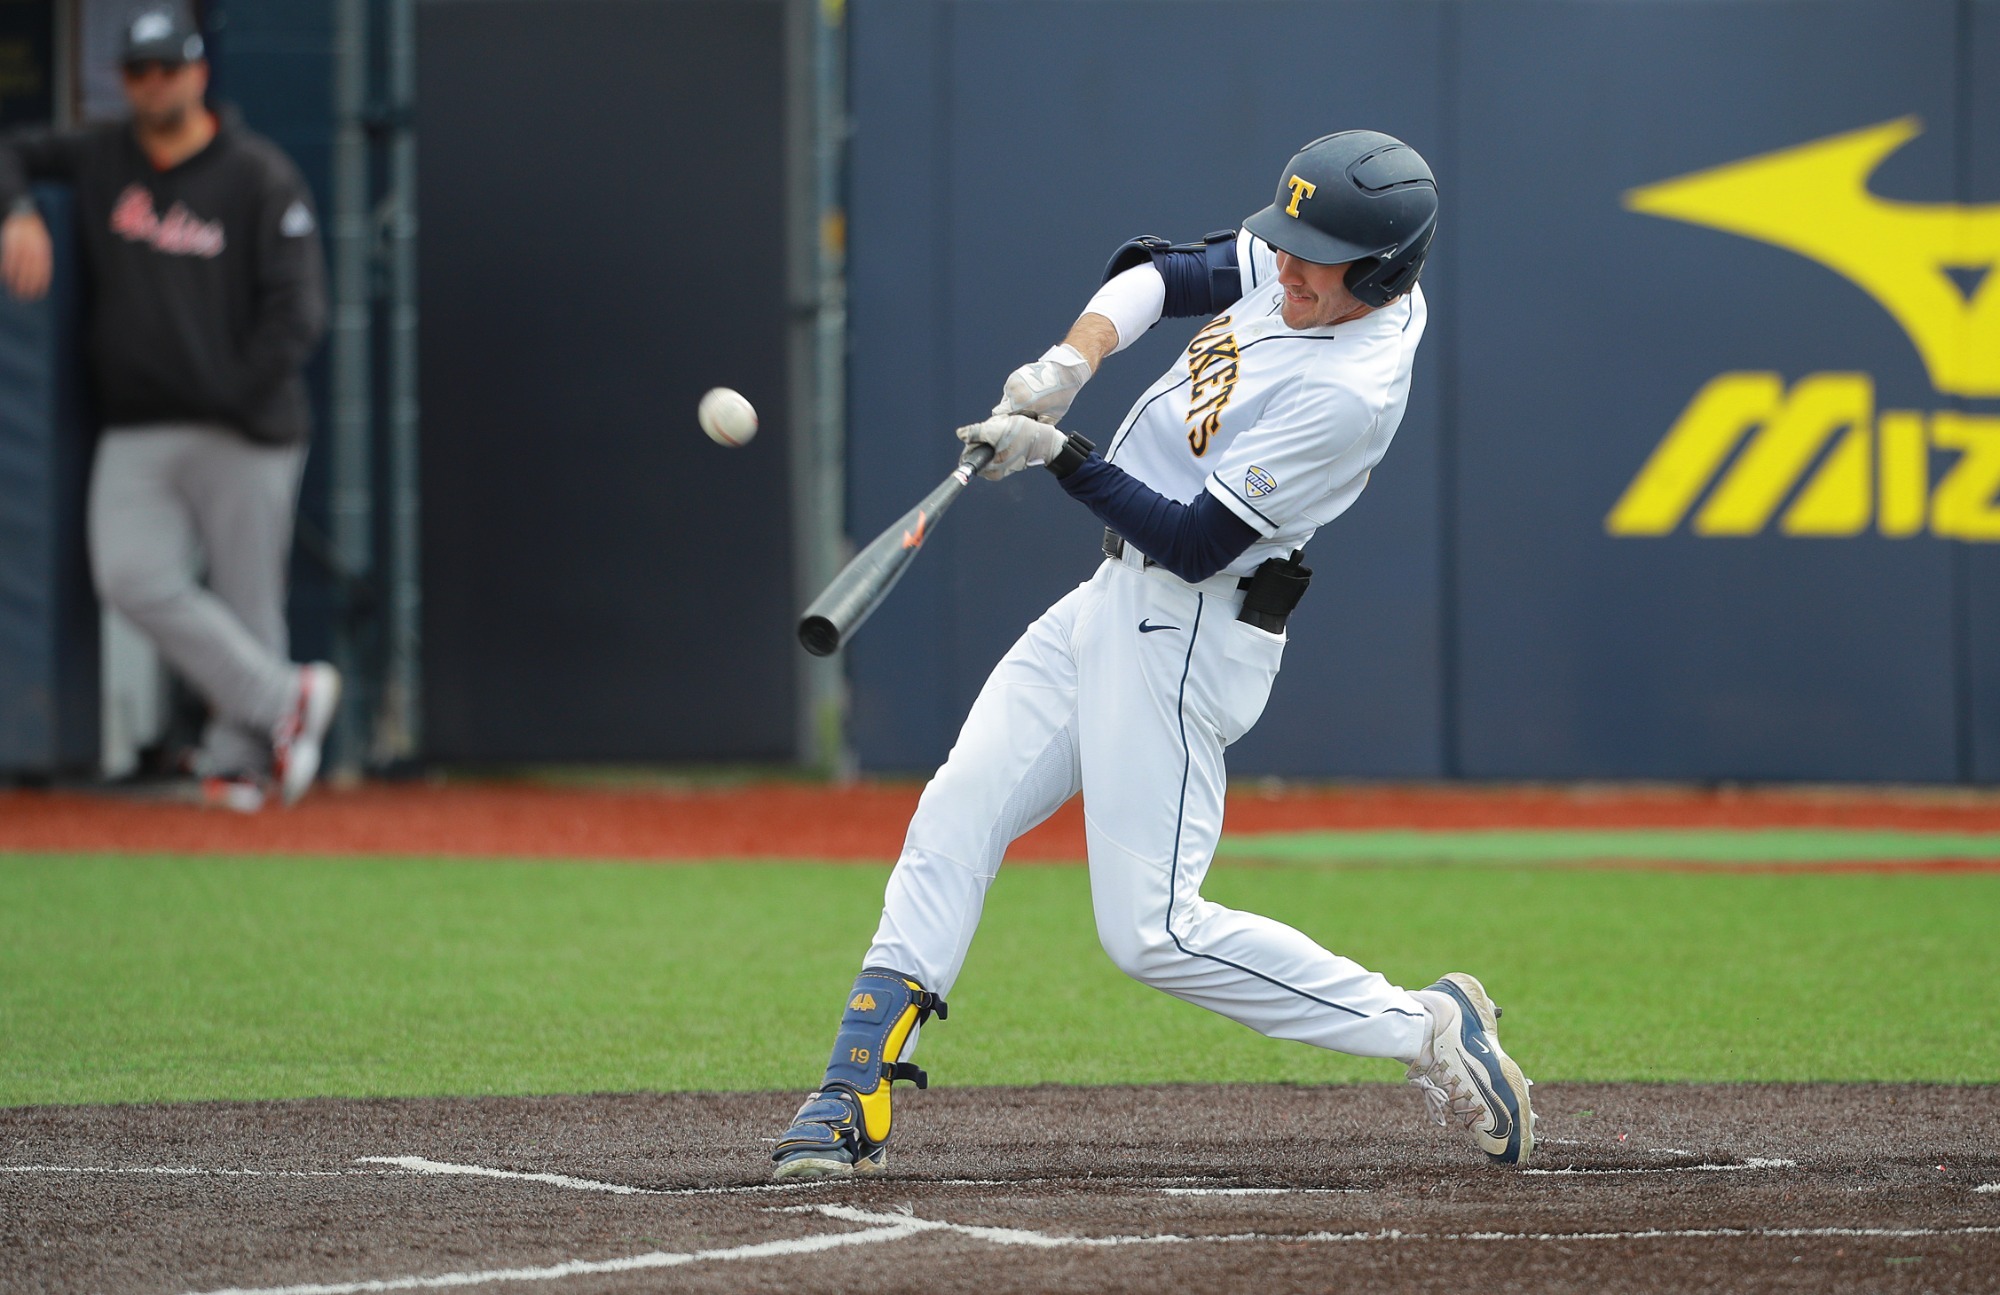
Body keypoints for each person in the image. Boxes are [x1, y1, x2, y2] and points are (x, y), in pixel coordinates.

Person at [772, 131, 1536, 1179]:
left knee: (1151, 932)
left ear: (1382, 271)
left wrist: (1056, 453)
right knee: (959, 803)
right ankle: (849, 1087)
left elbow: (1192, 541)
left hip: (1184, 627)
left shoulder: (1350, 391)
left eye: (1316, 257)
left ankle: (1423, 1026)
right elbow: (1158, 272)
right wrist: (1067, 362)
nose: (1289, 266)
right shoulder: (1319, 269)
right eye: (1292, 241)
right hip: (1111, 597)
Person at [0, 6, 337, 810]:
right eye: (141, 71)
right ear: (126, 81)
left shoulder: (258, 173)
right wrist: (16, 212)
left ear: (199, 72)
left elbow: (300, 314)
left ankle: (240, 761)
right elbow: (10, 149)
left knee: (249, 599)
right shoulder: (105, 155)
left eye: (169, 68)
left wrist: (228, 390)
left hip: (245, 428)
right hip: (140, 425)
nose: (155, 84)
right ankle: (284, 700)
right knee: (131, 574)